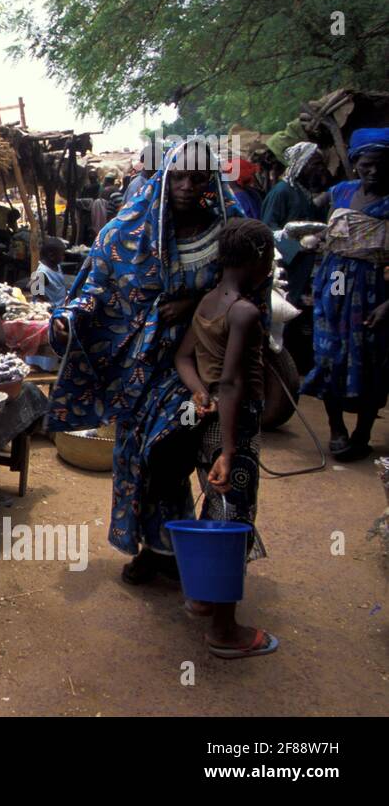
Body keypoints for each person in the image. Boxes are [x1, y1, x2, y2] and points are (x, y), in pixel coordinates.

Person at [48, 138, 242, 583]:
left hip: (203, 368)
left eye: (199, 178)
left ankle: (210, 564)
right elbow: (95, 288)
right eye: (180, 177)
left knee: (169, 452)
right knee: (139, 456)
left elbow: (248, 294)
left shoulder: (227, 235)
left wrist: (194, 303)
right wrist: (68, 319)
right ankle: (160, 548)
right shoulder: (127, 232)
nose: (188, 187)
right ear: (164, 177)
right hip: (140, 370)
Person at [173, 218, 278, 658]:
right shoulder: (245, 312)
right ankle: (224, 629)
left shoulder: (207, 303)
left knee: (215, 506)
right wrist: (232, 449)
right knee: (232, 521)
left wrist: (200, 391)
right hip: (233, 424)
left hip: (206, 421)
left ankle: (201, 594)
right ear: (258, 260)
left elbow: (184, 358)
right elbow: (233, 384)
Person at [301, 126, 389, 461]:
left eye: (382, 164)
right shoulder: (341, 193)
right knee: (328, 357)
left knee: (371, 363)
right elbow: (320, 222)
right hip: (333, 284)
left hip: (373, 292)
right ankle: (336, 428)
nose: (374, 171)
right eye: (366, 165)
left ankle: (363, 433)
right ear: (355, 164)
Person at [261, 141, 329, 373]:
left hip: (307, 268)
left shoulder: (305, 193)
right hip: (288, 268)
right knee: (285, 317)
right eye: (316, 165)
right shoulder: (281, 193)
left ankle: (302, 367)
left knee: (304, 317)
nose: (321, 170)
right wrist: (297, 245)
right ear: (301, 165)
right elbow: (266, 231)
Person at [31, 237, 69, 306]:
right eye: (62, 255)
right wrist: (47, 302)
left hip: (60, 304)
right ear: (51, 256)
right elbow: (34, 290)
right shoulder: (42, 272)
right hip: (50, 307)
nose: (64, 257)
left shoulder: (56, 265)